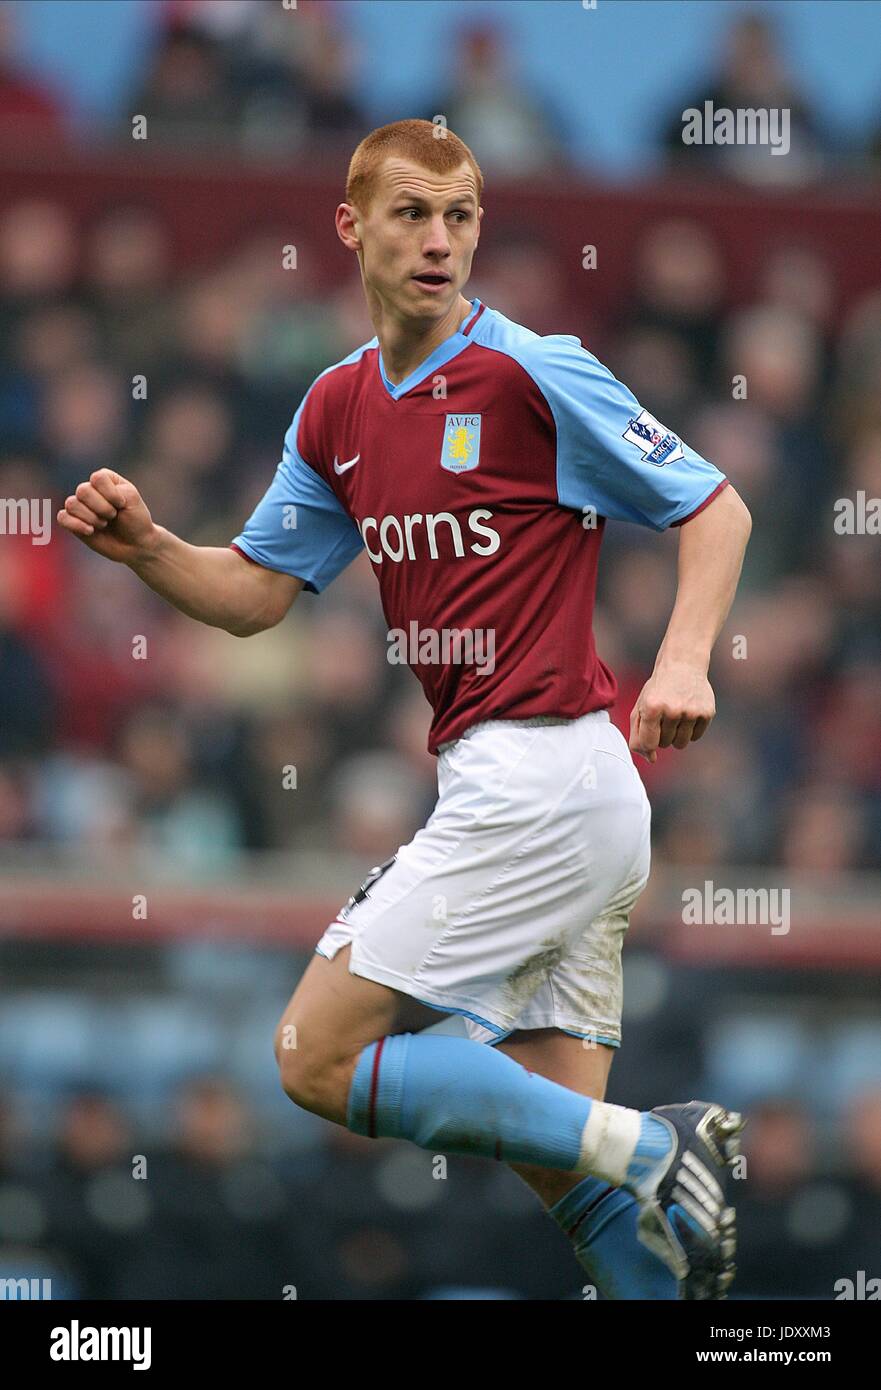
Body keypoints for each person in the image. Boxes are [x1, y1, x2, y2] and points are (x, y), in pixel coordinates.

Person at [58, 119, 751, 1300]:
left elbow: (714, 507)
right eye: (411, 215)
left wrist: (682, 662)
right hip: (548, 800)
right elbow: (252, 598)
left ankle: (655, 1142)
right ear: (352, 228)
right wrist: (147, 548)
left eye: (460, 217)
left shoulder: (533, 368)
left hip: (544, 779)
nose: (439, 241)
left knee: (311, 1055)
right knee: (564, 1175)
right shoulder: (335, 409)